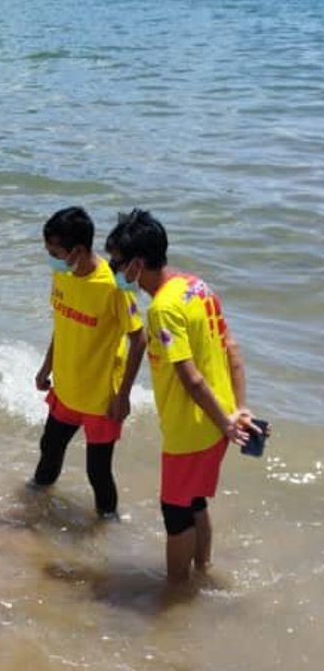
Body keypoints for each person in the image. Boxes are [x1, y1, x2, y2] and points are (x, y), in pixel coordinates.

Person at [106, 209, 256, 583]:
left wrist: (226, 422)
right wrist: (238, 410)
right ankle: (202, 570)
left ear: (137, 264)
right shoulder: (197, 287)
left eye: (117, 263)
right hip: (218, 421)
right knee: (194, 502)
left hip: (192, 429)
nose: (113, 270)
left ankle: (175, 592)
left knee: (174, 511)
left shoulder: (162, 309)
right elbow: (232, 349)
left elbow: (191, 379)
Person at [32, 207, 146, 518]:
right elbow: (61, 323)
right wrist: (46, 367)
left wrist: (123, 395)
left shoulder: (113, 287)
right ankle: (34, 509)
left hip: (102, 397)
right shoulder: (62, 273)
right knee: (49, 449)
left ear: (78, 251)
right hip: (67, 385)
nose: (51, 259)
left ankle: (107, 528)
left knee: (97, 471)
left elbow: (139, 339)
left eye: (55, 253)